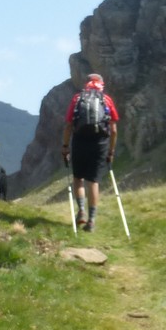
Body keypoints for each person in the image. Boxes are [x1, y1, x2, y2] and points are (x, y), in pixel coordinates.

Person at [60, 72, 119, 231]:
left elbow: (68, 125)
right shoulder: (106, 100)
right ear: (101, 83)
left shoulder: (77, 98)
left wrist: (65, 146)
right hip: (100, 143)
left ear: (85, 84)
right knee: (93, 181)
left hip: (80, 141)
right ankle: (92, 221)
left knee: (78, 178)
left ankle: (81, 211)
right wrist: (111, 151)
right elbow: (113, 129)